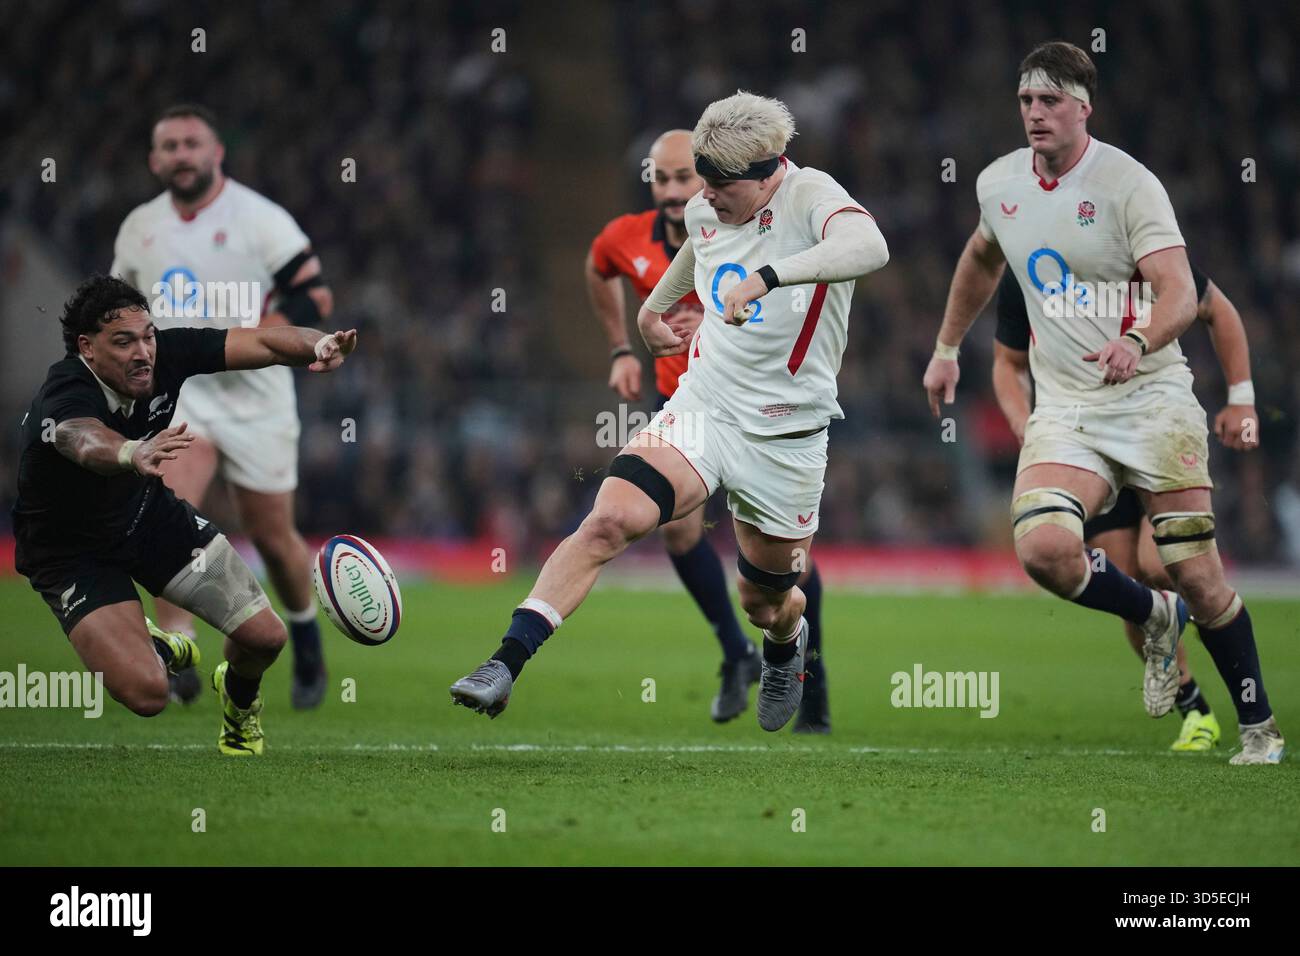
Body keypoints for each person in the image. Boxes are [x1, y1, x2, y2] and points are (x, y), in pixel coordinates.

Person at [451, 91, 887, 730]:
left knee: (767, 603)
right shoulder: (709, 207)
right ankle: (504, 663)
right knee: (609, 520)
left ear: (768, 172)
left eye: (716, 185)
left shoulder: (810, 193)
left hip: (789, 437)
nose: (701, 200)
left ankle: (784, 648)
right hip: (705, 407)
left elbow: (869, 245)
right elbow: (698, 248)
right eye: (697, 184)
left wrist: (767, 277)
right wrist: (653, 309)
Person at [923, 41, 1282, 764]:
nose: (1034, 113)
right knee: (1044, 548)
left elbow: (1184, 294)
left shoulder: (1128, 184)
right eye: (1025, 101)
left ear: (1083, 107)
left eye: (1050, 100)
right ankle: (1151, 620)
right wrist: (944, 348)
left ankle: (1258, 727)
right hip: (1070, 410)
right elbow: (981, 259)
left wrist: (1139, 341)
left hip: (1151, 400)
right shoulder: (999, 186)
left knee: (1195, 576)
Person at [13, 275, 356, 754]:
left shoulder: (167, 354)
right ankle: (156, 647)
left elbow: (259, 341)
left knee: (265, 639)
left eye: (148, 335)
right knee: (150, 694)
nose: (143, 352)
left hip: (146, 519)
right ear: (87, 348)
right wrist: (131, 452)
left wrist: (315, 344)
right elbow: (79, 437)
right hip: (71, 555)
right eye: (124, 341)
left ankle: (238, 708)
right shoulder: (66, 389)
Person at [586, 128, 832, 731]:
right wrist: (622, 346)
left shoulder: (745, 227)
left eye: (683, 179)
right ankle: (735, 653)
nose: (673, 191)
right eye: (661, 180)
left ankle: (806, 679)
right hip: (689, 401)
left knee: (786, 567)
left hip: (765, 413)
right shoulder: (627, 239)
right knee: (673, 532)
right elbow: (598, 269)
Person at [110, 104, 335, 708]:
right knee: (169, 508)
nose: (182, 154)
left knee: (274, 537)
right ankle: (178, 649)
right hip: (185, 394)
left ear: (217, 153)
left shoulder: (261, 220)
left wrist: (277, 336)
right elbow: (116, 311)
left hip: (256, 396)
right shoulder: (138, 228)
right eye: (170, 145)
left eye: (192, 143)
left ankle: (306, 632)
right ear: (155, 160)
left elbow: (315, 294)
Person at [992, 261, 1260, 751]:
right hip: (1085, 440)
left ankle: (1250, 710)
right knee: (1125, 582)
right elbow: (1007, 363)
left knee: (1166, 569)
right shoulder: (1026, 262)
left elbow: (1217, 309)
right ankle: (1194, 708)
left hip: (1153, 426)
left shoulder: (1141, 246)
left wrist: (1241, 396)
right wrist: (1028, 426)